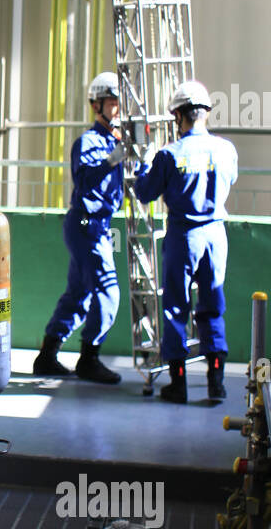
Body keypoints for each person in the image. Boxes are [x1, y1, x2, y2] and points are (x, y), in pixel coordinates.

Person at [132, 80, 238, 403]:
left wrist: (141, 165)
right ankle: (215, 382)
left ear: (178, 116)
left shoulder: (169, 154)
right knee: (212, 307)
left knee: (176, 308)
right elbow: (230, 179)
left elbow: (145, 192)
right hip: (216, 235)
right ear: (205, 113)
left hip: (184, 236)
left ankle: (178, 385)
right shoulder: (226, 150)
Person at [33, 71, 125, 385]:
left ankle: (47, 355)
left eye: (118, 102)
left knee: (78, 295)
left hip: (98, 223)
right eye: (111, 102)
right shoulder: (88, 142)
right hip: (86, 222)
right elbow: (84, 180)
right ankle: (89, 358)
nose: (116, 108)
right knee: (108, 292)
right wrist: (114, 159)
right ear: (96, 105)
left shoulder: (115, 141)